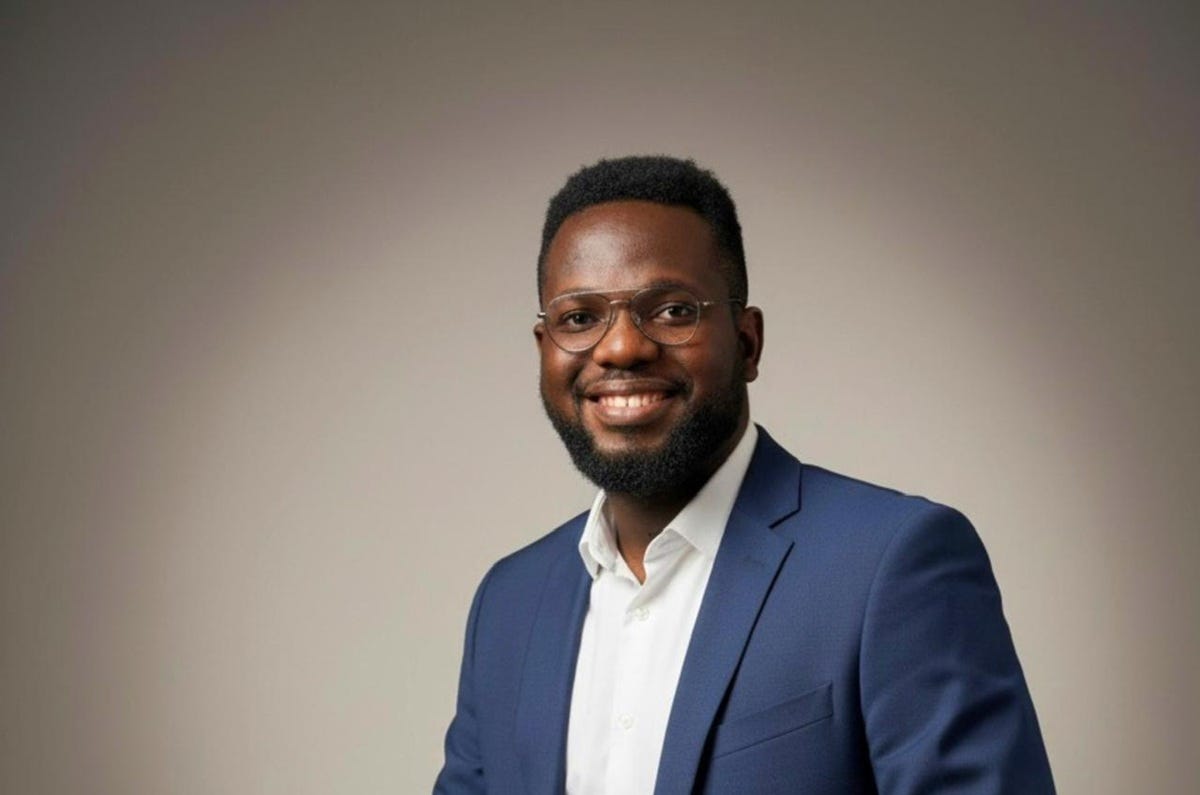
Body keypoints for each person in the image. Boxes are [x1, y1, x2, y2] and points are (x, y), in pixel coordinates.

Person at [434, 156, 1055, 794]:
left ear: (748, 342)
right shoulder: (508, 603)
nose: (621, 348)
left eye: (672, 310)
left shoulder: (890, 565)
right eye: (579, 318)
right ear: (544, 350)